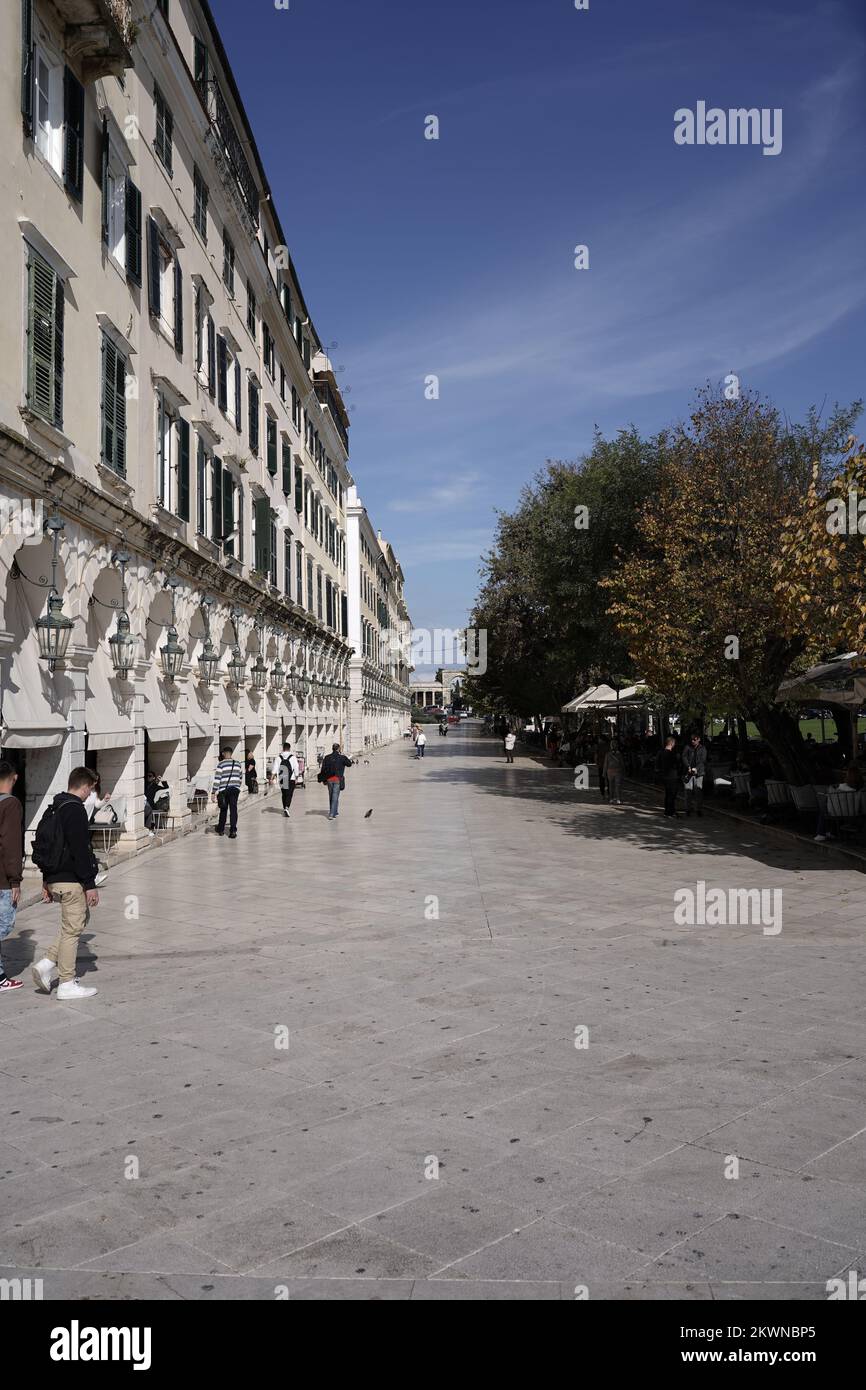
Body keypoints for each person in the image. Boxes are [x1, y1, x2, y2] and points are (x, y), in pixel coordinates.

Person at [31, 767, 100, 1000]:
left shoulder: (55, 807)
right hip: (71, 879)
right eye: (91, 788)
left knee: (76, 922)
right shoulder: (75, 810)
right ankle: (67, 983)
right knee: (73, 930)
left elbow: (46, 846)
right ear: (85, 785)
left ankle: (47, 963)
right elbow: (80, 849)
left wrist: (45, 880)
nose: (91, 793)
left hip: (55, 878)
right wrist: (90, 884)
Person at [0, 761, 24, 992]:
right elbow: (11, 844)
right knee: (5, 925)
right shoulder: (11, 804)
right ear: (14, 778)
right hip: (2, 879)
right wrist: (15, 879)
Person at [814, 766, 863, 841]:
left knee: (825, 808)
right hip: (854, 812)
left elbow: (831, 794)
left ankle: (821, 833)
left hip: (837, 811)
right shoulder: (860, 789)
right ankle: (833, 832)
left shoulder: (841, 786)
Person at [212, 748, 243, 838]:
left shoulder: (221, 764)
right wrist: (237, 785)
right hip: (235, 789)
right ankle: (233, 831)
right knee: (233, 810)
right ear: (231, 753)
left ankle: (221, 829)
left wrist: (213, 792)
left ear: (223, 754)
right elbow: (240, 777)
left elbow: (217, 779)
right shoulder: (237, 764)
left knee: (223, 810)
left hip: (224, 791)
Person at [319, 742, 353, 819]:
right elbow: (349, 764)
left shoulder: (327, 757)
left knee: (331, 796)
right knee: (335, 796)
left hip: (329, 779)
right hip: (337, 779)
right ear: (338, 749)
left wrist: (323, 780)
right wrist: (346, 757)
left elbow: (323, 769)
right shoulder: (342, 757)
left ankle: (335, 811)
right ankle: (331, 814)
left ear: (332, 749)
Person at [270, 741, 300, 818]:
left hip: (283, 777)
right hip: (291, 778)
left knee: (284, 793)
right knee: (289, 793)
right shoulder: (293, 757)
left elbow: (275, 768)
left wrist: (271, 778)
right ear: (289, 748)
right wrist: (297, 777)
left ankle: (284, 807)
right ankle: (287, 807)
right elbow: (296, 768)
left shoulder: (278, 757)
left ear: (283, 748)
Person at [682, 732, 707, 816]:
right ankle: (687, 809)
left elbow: (703, 760)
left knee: (698, 792)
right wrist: (688, 766)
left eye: (695, 739)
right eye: (692, 739)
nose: (693, 741)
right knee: (687, 792)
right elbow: (684, 757)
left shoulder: (703, 748)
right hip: (688, 772)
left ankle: (698, 809)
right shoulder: (687, 747)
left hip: (698, 773)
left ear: (698, 739)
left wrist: (696, 768)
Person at [661, 736, 681, 817]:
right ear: (671, 743)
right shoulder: (670, 754)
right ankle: (670, 812)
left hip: (665, 776)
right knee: (671, 795)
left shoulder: (661, 752)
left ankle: (667, 811)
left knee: (668, 794)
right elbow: (675, 765)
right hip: (672, 776)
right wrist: (677, 759)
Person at [603, 739, 625, 804]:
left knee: (613, 785)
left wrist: (604, 773)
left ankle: (614, 798)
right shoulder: (618, 754)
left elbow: (605, 764)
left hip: (612, 771)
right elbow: (622, 763)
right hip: (615, 771)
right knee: (615, 785)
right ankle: (616, 798)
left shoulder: (609, 754)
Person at [595, 735, 610, 800]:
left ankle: (602, 794)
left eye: (599, 739)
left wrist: (597, 763)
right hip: (609, 765)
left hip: (601, 765)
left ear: (602, 739)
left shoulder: (599, 746)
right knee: (609, 780)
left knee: (601, 780)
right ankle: (610, 794)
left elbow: (596, 756)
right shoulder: (609, 746)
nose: (598, 740)